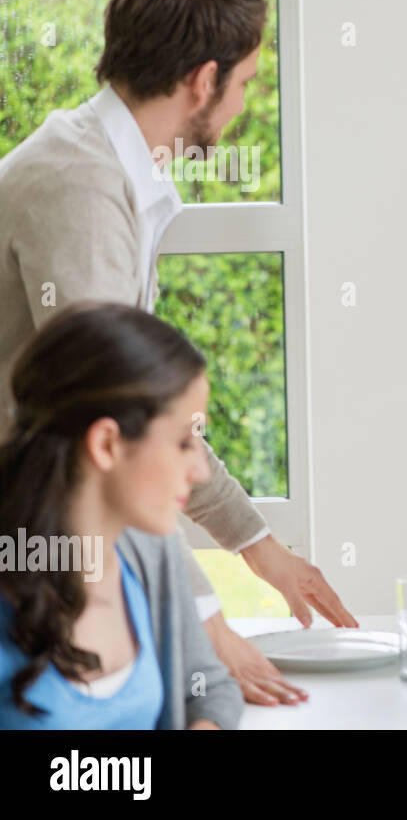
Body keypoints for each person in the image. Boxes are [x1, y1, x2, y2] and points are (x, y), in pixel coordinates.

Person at [0, 0, 356, 706]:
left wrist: (259, 547)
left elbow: (152, 418)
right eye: (248, 82)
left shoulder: (110, 174)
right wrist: (202, 621)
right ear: (204, 79)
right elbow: (118, 432)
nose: (244, 105)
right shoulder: (81, 186)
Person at [0, 303, 244, 729]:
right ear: (107, 444)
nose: (201, 471)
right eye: (185, 442)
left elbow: (205, 685)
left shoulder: (150, 552)